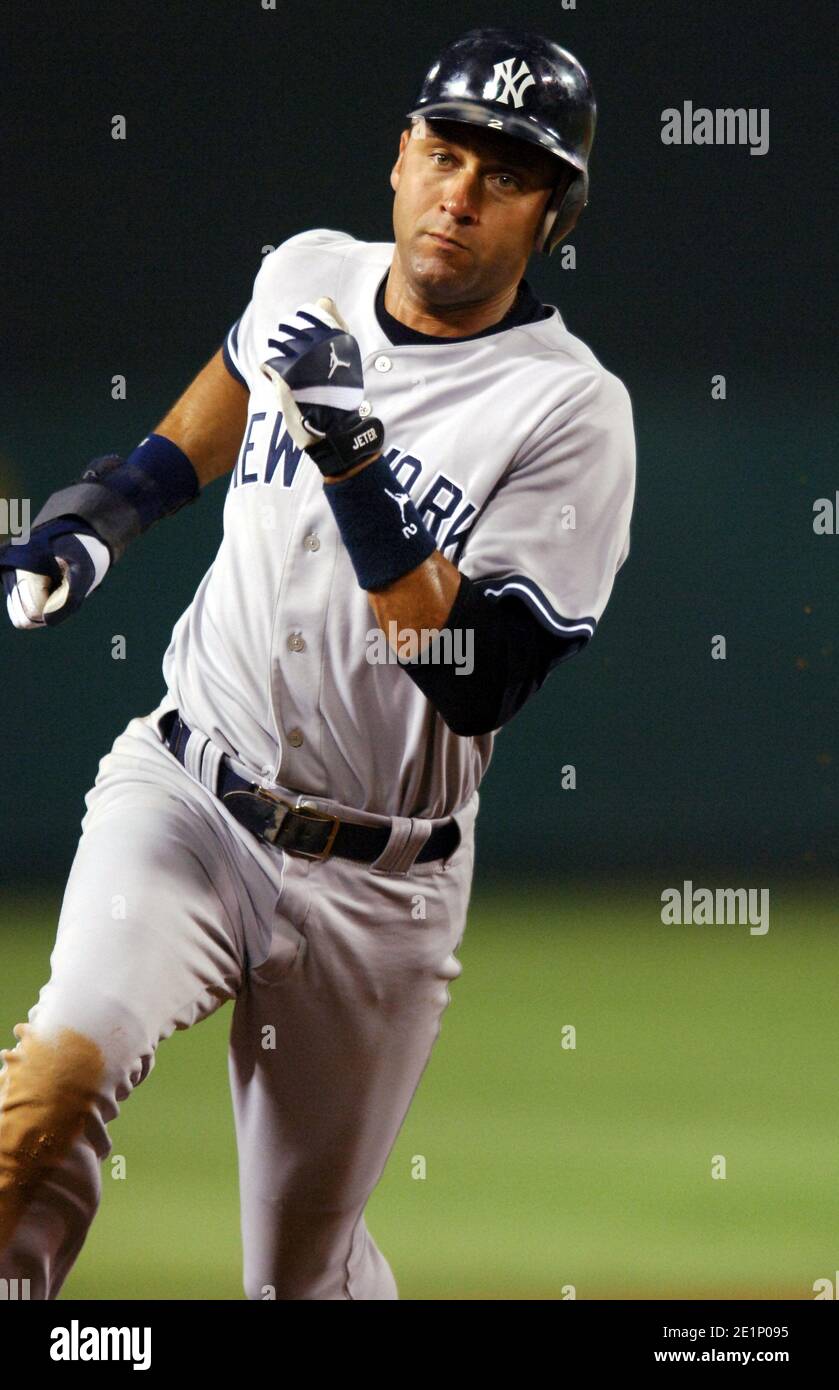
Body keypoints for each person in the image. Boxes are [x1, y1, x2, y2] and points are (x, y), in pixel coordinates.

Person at [0, 27, 636, 1300]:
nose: (459, 191)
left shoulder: (569, 410)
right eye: (443, 151)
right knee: (50, 1087)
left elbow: (474, 674)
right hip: (188, 795)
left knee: (299, 1280)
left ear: (551, 214)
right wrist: (96, 518)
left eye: (503, 174)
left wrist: (355, 471)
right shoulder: (309, 272)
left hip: (380, 885)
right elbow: (205, 420)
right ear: (399, 154)